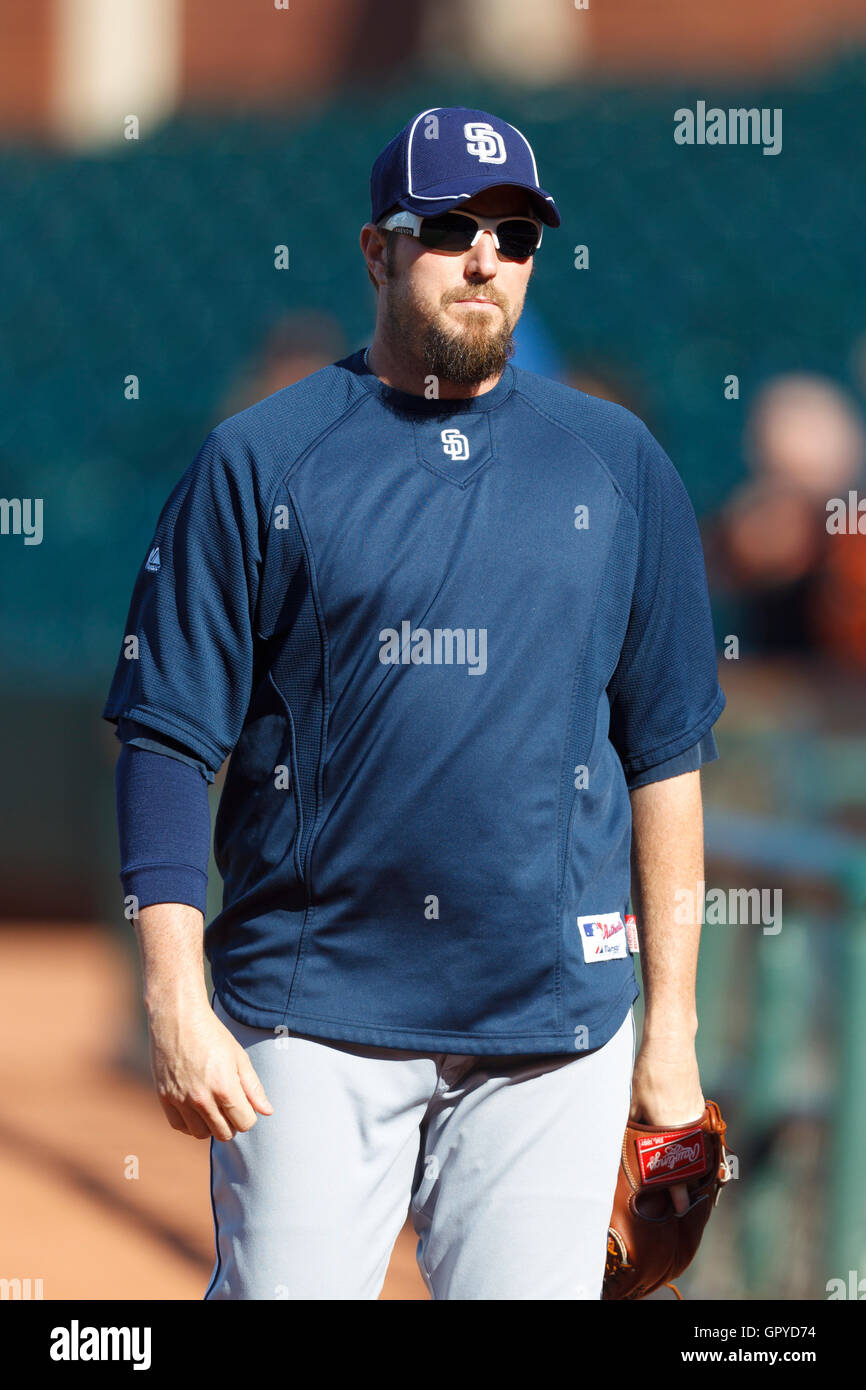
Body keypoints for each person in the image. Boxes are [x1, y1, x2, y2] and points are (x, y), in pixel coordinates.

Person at [102, 106, 725, 1300]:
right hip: (309, 1011)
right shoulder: (259, 460)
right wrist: (175, 1001)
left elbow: (664, 756)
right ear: (375, 251)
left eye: (515, 232)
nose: (485, 255)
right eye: (446, 227)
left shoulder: (618, 463)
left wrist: (671, 1037)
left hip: (550, 1028)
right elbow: (168, 739)